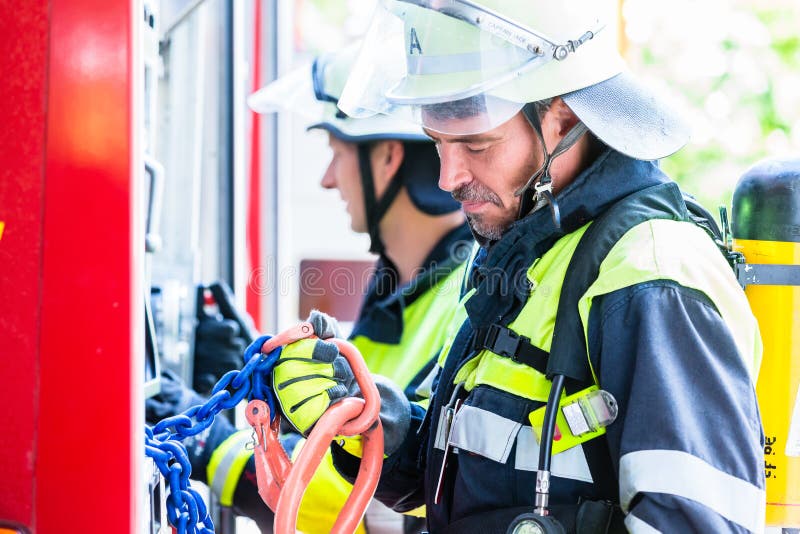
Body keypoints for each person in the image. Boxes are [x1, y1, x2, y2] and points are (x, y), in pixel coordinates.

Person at [273, 1, 766, 532]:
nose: (449, 176)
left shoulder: (651, 275)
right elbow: (462, 476)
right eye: (439, 144)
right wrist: (372, 419)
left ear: (565, 120)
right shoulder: (529, 254)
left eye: (477, 144)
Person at [148, 44, 473, 534]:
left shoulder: (470, 301)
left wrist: (208, 444)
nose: (326, 181)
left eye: (336, 154)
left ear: (387, 157)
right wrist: (256, 382)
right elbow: (341, 426)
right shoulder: (403, 293)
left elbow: (354, 495)